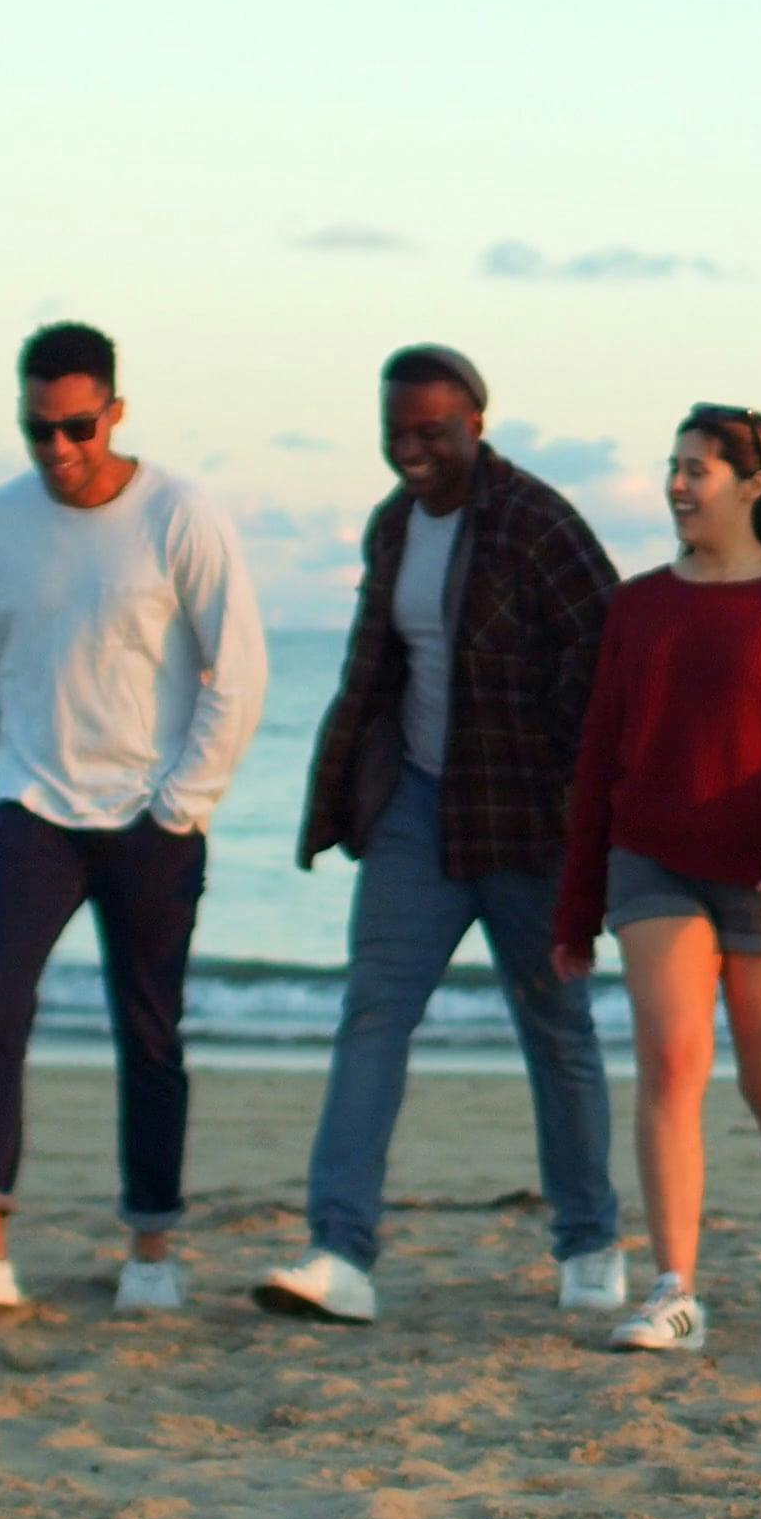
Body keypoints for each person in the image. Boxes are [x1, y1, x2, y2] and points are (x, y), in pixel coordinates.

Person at [259, 345, 626, 1328]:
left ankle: (590, 1243)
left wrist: (566, 786)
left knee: (559, 1034)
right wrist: (341, 799)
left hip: (525, 824)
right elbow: (371, 677)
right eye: (397, 432)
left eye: (431, 431)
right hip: (417, 815)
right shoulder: (392, 527)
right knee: (372, 1018)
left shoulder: (538, 521)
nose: (412, 450)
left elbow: (610, 653)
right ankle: (339, 1253)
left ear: (476, 421)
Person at [0, 322, 267, 1314]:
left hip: (150, 814)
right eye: (38, 431)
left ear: (114, 412)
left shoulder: (181, 515)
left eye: (76, 428)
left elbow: (237, 673)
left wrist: (182, 807)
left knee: (149, 1034)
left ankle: (150, 1251)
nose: (59, 451)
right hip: (30, 807)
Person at [551, 406, 761, 1352]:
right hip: (655, 863)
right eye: (675, 467)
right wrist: (576, 907)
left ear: (753, 484)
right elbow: (599, 755)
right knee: (673, 1063)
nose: (680, 486)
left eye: (700, 470)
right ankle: (675, 1290)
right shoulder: (641, 605)